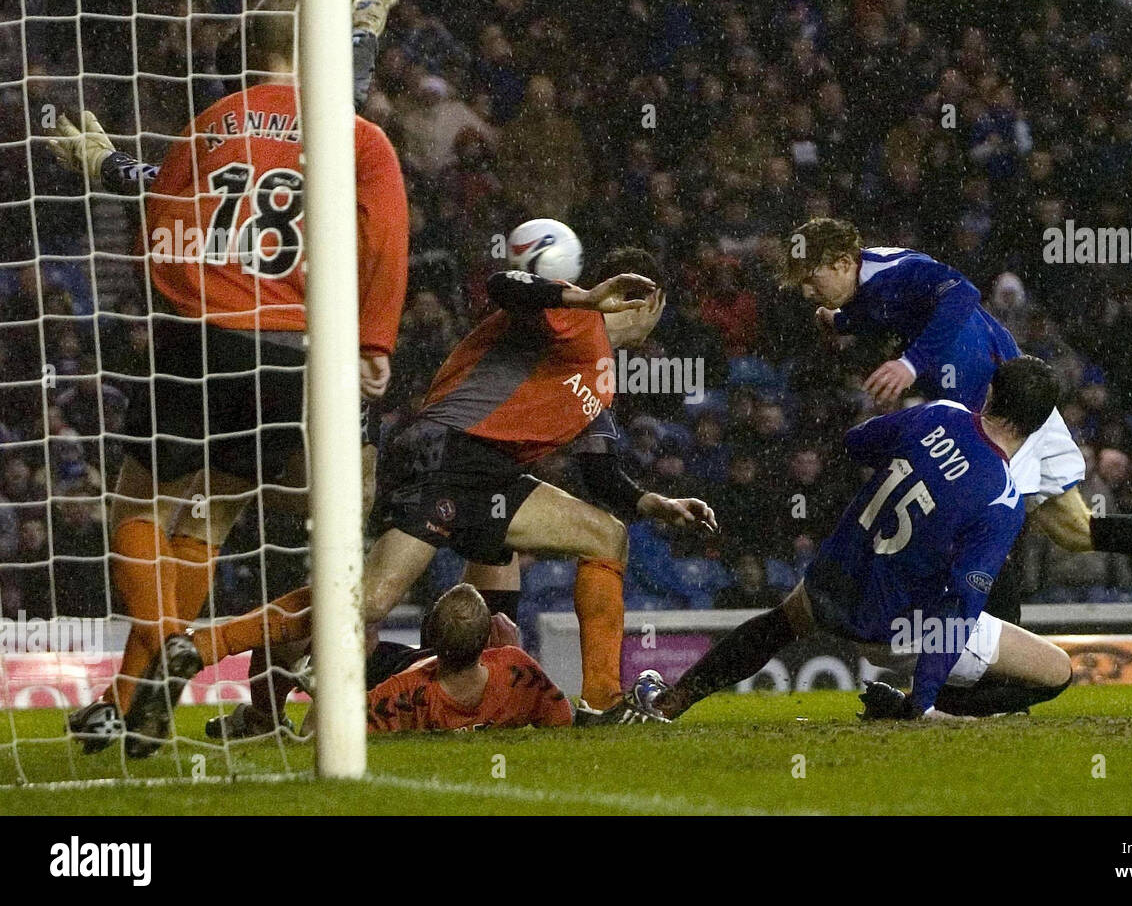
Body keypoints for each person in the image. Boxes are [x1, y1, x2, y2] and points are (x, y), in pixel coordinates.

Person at [152, 247, 716, 743]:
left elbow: (603, 477)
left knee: (606, 533)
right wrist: (587, 297)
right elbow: (504, 284)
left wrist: (656, 504)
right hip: (443, 455)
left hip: (492, 477)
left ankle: (601, 702)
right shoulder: (567, 319)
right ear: (648, 300)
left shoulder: (602, 377)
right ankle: (202, 650)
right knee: (368, 603)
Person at [50, 0, 409, 757]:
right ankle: (131, 695)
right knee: (216, 516)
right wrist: (373, 340)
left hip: (204, 336)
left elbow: (164, 214)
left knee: (143, 503)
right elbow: (385, 237)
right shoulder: (355, 134)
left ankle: (173, 647)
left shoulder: (210, 124)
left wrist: (116, 175)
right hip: (298, 355)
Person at [782, 219, 1132, 632]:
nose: (807, 292)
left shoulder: (894, 270)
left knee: (976, 531)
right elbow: (889, 311)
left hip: (992, 417)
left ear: (843, 261)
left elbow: (962, 292)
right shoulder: (866, 289)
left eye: (811, 278)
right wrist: (842, 323)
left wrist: (910, 364)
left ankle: (999, 675)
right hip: (1014, 406)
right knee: (1076, 530)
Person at [639, 356, 1073, 721]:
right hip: (896, 631)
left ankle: (674, 700)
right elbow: (960, 605)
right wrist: (920, 700)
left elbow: (856, 444)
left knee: (777, 625)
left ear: (990, 392)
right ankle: (924, 711)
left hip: (832, 585)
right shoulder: (1003, 498)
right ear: (1036, 427)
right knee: (1058, 672)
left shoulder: (939, 414)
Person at [361, 584, 661, 733]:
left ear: (431, 638)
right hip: (431, 662)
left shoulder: (401, 692)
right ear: (486, 643)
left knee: (366, 642)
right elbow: (564, 722)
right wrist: (511, 655)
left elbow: (328, 728)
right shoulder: (516, 670)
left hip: (404, 664)